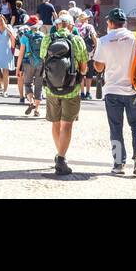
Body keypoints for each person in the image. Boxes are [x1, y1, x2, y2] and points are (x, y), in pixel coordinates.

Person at [93, 8, 136, 176]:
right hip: (132, 89)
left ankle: (118, 164)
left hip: (112, 90)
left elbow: (99, 66)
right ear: (124, 23)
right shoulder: (135, 37)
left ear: (110, 23)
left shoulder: (104, 40)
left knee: (116, 127)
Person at [41, 13, 89, 176]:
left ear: (57, 25)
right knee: (66, 124)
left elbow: (43, 60)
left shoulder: (47, 39)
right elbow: (83, 67)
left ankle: (60, 156)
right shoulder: (77, 40)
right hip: (72, 89)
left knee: (55, 123)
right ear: (71, 26)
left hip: (51, 89)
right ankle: (61, 159)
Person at [18, 15, 44, 115]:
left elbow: (21, 54)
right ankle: (37, 110)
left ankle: (31, 102)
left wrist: (18, 68)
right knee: (39, 86)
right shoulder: (43, 35)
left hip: (28, 62)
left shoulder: (25, 36)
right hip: (40, 63)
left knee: (27, 84)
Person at [77, 11, 99, 100]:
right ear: (86, 19)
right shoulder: (89, 27)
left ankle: (81, 93)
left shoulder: (76, 27)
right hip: (89, 53)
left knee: (81, 73)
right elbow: (94, 37)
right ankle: (88, 93)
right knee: (89, 74)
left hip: (79, 53)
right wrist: (97, 48)